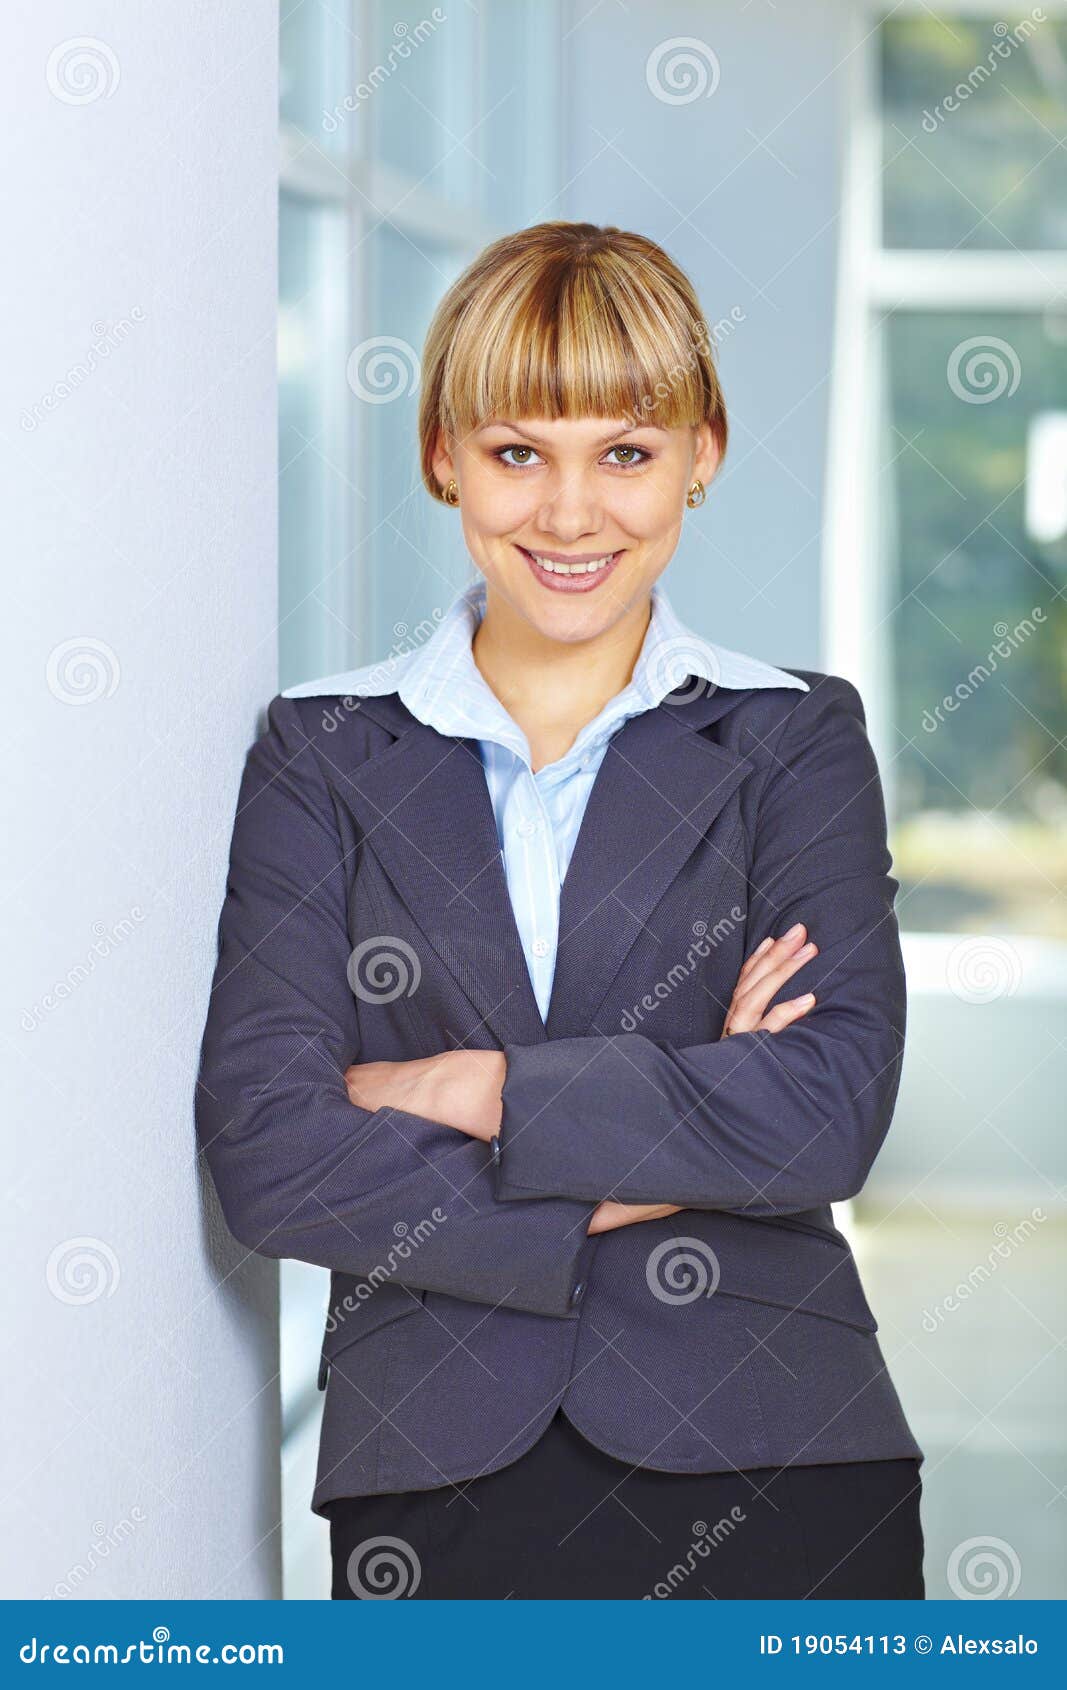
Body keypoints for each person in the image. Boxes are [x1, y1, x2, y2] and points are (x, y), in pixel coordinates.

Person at [195, 220, 925, 1600]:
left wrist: (457, 1080)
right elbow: (271, 1149)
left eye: (627, 454)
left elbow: (828, 1111)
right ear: (442, 456)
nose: (571, 514)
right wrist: (692, 1118)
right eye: (518, 452)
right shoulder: (323, 751)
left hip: (776, 1443)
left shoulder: (794, 739)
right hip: (433, 1466)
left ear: (703, 456)